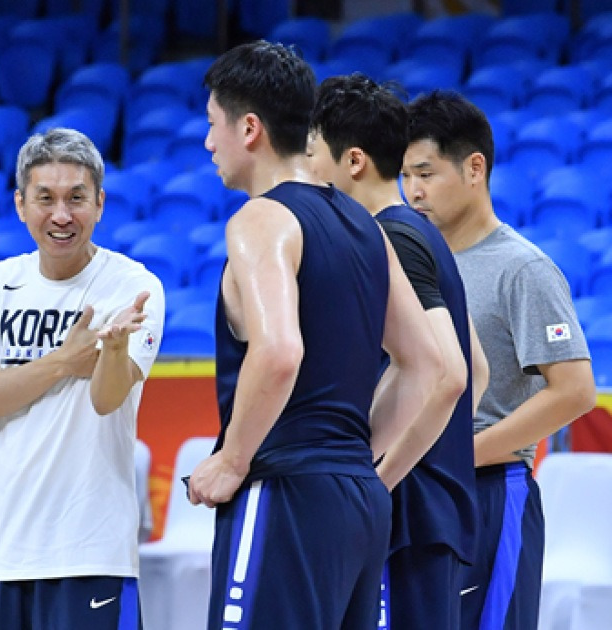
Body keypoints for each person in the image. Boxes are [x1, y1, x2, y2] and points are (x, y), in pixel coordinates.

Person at [184, 41, 462, 630]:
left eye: (213, 125)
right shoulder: (367, 226)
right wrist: (354, 455)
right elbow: (427, 365)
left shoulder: (260, 219)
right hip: (359, 501)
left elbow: (281, 350)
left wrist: (232, 460)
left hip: (285, 492)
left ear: (250, 128)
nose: (209, 142)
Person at [0, 127, 165, 630]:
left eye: (77, 198)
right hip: (3, 550)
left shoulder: (134, 286)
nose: (62, 215)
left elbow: (107, 399)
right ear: (21, 204)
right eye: (45, 199)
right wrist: (64, 362)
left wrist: (111, 352)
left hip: (90, 549)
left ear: (100, 203)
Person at [404, 91, 596, 630]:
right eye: (404, 175)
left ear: (474, 168)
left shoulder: (522, 269)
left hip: (489, 492)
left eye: (426, 173)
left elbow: (576, 390)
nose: (412, 191)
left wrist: (463, 453)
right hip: (417, 488)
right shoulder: (408, 264)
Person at [308, 73, 487, 630]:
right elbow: (476, 369)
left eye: (313, 152)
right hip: (431, 509)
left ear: (352, 161)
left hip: (408, 513)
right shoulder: (418, 231)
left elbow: (451, 375)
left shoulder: (393, 237)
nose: (308, 169)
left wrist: (378, 478)